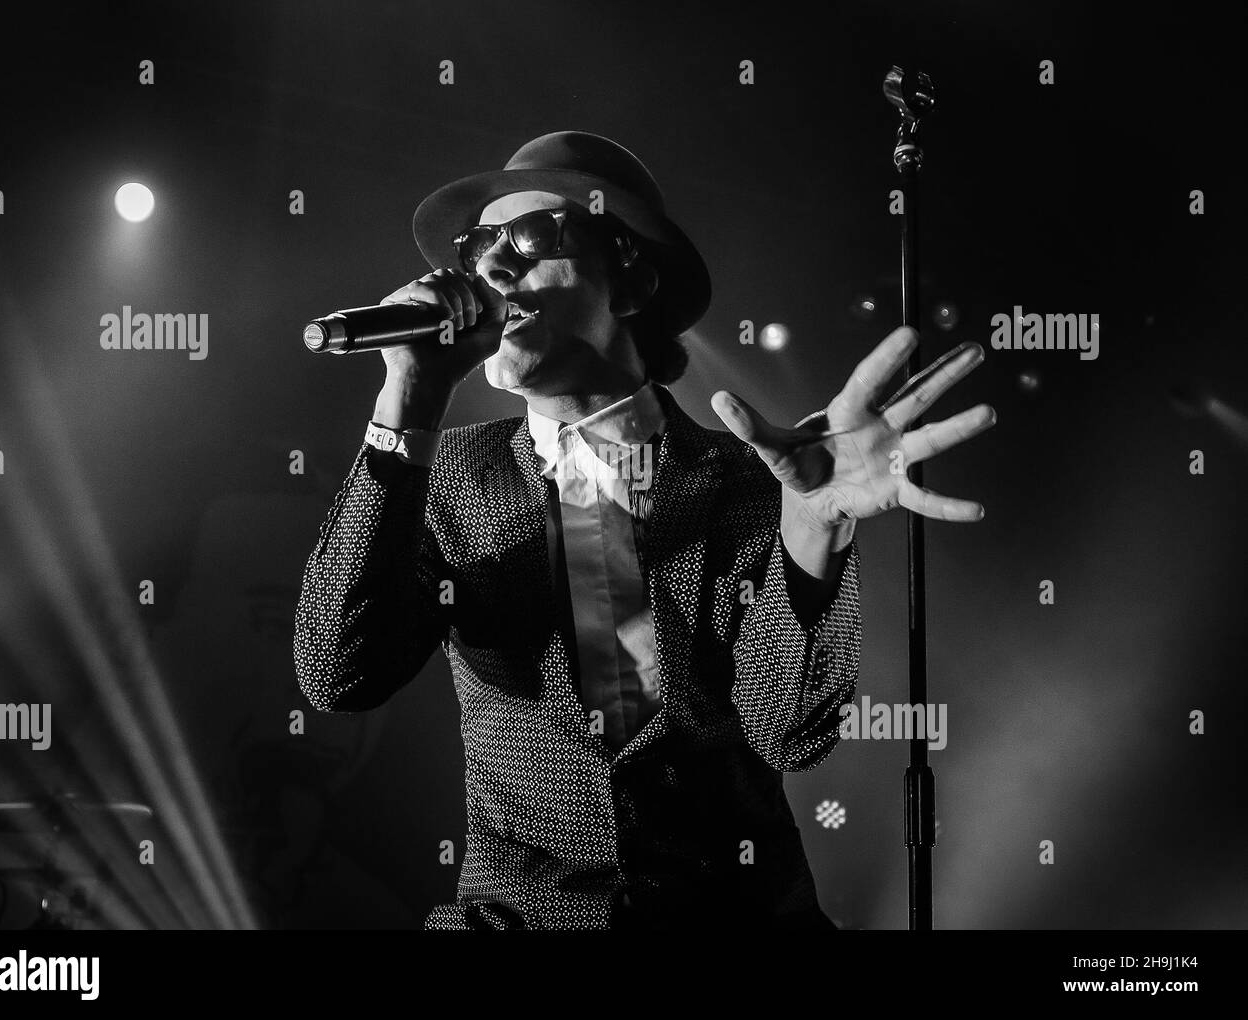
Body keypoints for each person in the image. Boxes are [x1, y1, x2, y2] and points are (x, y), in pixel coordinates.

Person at [293, 131, 994, 930]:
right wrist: (408, 403)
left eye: (529, 239)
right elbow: (338, 674)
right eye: (479, 246)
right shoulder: (449, 475)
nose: (492, 267)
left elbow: (789, 731)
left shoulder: (761, 479)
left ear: (630, 284)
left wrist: (813, 525)